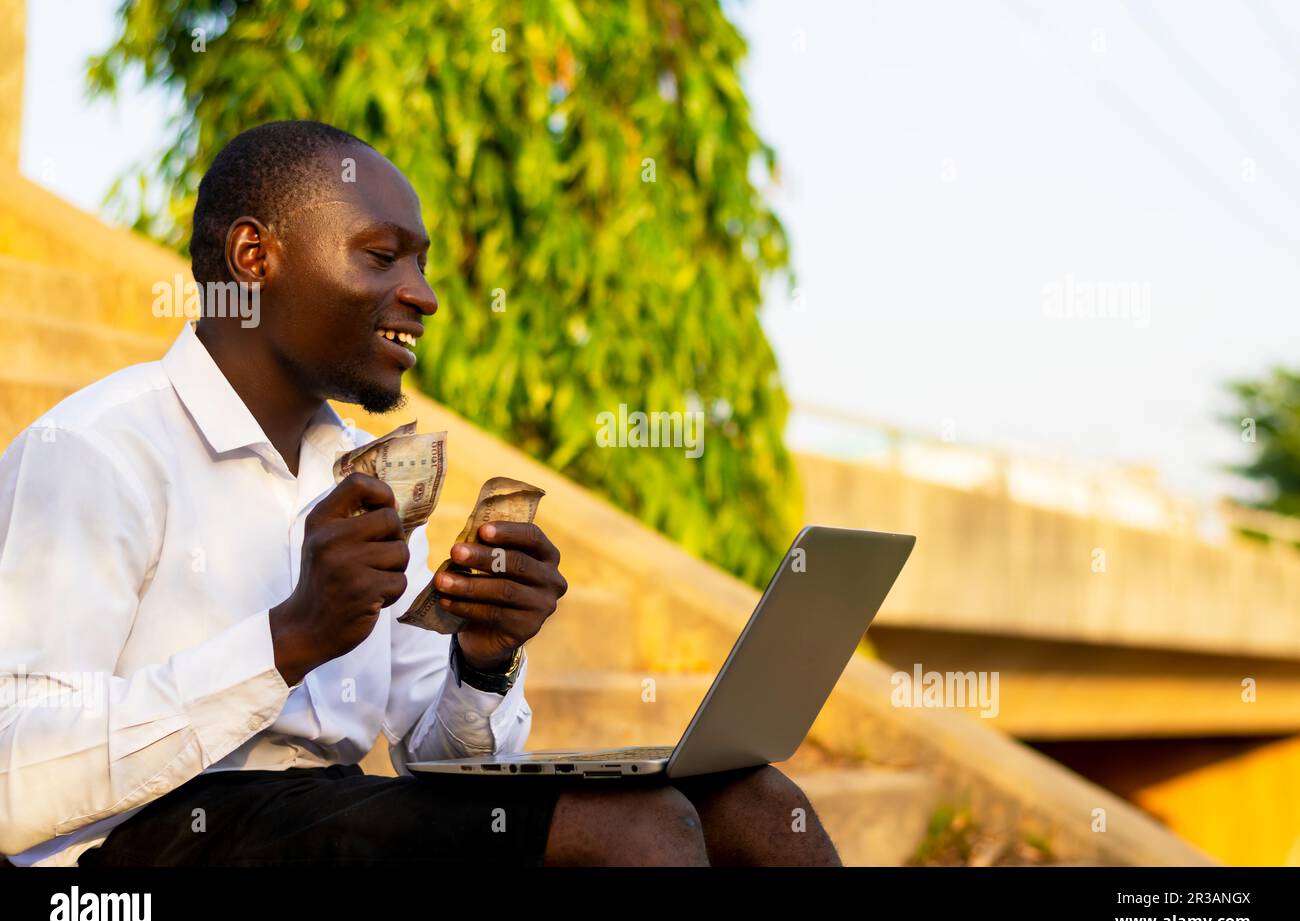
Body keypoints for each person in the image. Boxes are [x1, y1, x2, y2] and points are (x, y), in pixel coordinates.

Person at [0, 120, 840, 867]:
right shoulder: (96, 451)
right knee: (631, 833)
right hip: (145, 841)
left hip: (322, 811)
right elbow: (12, 781)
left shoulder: (367, 471)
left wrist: (483, 659)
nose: (425, 295)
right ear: (254, 259)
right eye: (381, 255)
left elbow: (435, 756)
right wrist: (287, 640)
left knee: (753, 805)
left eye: (422, 262)